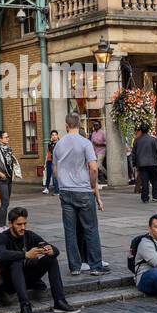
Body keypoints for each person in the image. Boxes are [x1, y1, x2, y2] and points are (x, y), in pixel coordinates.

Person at [0, 206, 82, 313]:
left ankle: (60, 301)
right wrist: (25, 255)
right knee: (16, 262)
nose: (23, 227)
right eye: (19, 224)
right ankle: (25, 306)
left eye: (25, 224)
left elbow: (54, 250)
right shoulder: (2, 238)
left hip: (28, 278)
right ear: (10, 224)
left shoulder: (29, 235)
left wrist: (51, 250)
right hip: (10, 281)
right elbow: (0, 254)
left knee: (52, 259)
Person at [53, 112, 106, 277]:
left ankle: (75, 266)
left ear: (66, 125)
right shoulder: (85, 143)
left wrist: (63, 180)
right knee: (90, 228)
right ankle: (96, 266)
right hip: (83, 190)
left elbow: (55, 170)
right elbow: (94, 167)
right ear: (80, 124)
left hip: (65, 190)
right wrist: (92, 184)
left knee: (70, 230)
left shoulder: (58, 144)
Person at [132, 123, 157, 204]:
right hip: (153, 163)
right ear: (148, 130)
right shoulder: (153, 139)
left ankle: (145, 198)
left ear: (141, 130)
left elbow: (134, 154)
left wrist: (134, 164)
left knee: (144, 181)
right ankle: (155, 196)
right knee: (156, 179)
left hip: (142, 164)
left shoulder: (136, 140)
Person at [89, 120, 108, 185]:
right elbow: (91, 143)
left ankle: (107, 175)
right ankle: (97, 180)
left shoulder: (103, 132)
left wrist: (99, 144)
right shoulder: (93, 133)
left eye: (96, 125)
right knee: (95, 166)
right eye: (94, 125)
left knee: (98, 165)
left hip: (101, 151)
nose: (95, 126)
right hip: (94, 151)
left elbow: (106, 143)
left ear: (100, 125)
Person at [42, 129, 59, 195]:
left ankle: (57, 190)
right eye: (53, 135)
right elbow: (48, 153)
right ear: (51, 136)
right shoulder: (50, 144)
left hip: (56, 162)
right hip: (49, 161)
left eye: (55, 135)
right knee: (48, 175)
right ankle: (46, 188)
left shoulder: (59, 143)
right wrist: (45, 162)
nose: (54, 136)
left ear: (57, 136)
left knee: (55, 176)